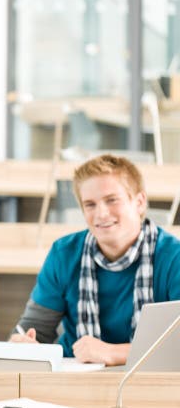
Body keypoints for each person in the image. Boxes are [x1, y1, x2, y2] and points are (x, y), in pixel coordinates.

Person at [9, 154, 180, 365]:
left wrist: (113, 353)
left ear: (139, 202)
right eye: (90, 204)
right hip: (74, 377)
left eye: (111, 200)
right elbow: (35, 330)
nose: (101, 213)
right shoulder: (63, 254)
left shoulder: (174, 257)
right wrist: (23, 344)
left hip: (150, 382)